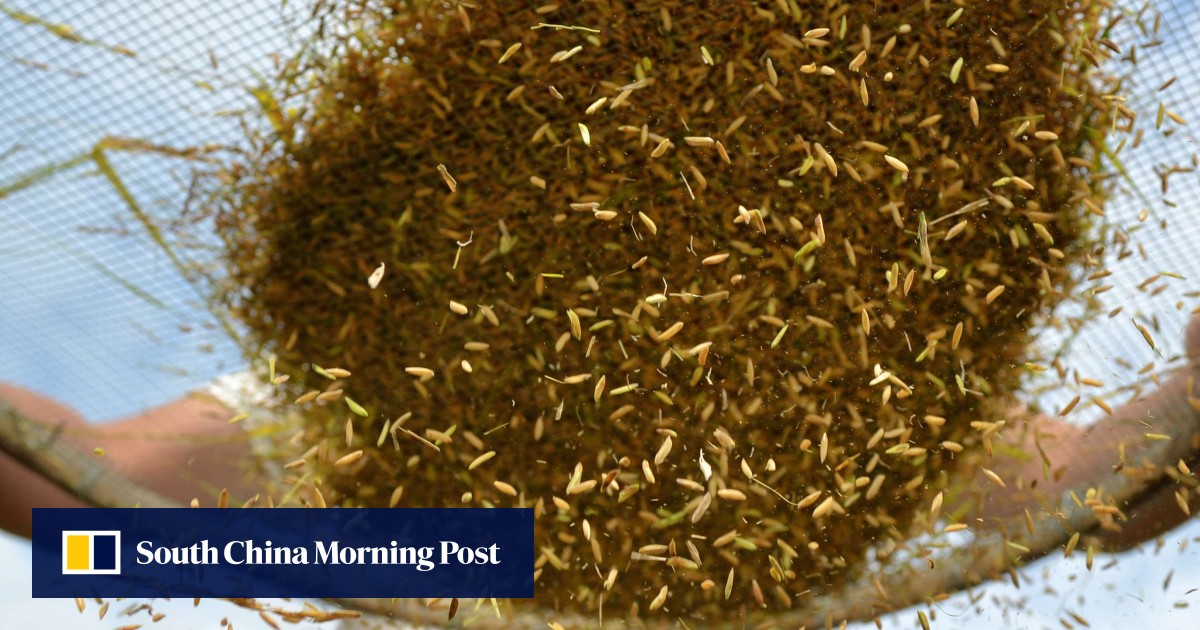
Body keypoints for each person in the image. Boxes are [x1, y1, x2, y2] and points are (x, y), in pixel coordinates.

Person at [2, 318, 1198, 554]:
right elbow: (93, 515)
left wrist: (1187, 406)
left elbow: (1094, 492)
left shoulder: (840, 393)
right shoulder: (381, 393)